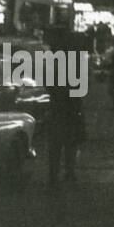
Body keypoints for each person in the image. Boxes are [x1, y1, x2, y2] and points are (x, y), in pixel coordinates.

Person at [45, 28, 85, 183]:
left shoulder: (53, 65)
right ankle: (69, 171)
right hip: (71, 108)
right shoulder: (74, 66)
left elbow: (49, 86)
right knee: (70, 142)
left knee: (56, 144)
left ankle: (54, 174)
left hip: (57, 108)